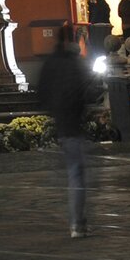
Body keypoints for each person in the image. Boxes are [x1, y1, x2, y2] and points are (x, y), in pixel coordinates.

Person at [37, 25, 94, 238]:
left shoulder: (50, 63)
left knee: (74, 172)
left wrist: (54, 111)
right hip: (72, 124)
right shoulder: (73, 64)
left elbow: (41, 92)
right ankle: (77, 223)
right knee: (77, 174)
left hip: (62, 122)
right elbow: (83, 92)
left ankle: (79, 220)